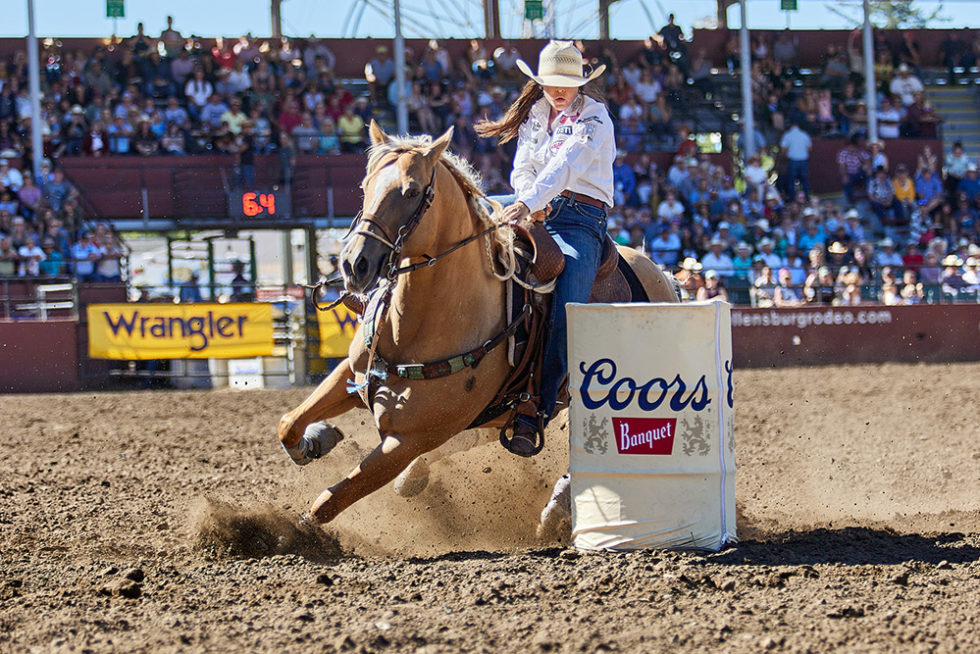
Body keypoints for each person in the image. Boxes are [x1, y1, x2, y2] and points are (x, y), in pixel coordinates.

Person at [475, 40, 612, 456]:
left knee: (568, 302)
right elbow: (525, 165)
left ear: (581, 82)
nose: (558, 90)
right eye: (551, 82)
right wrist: (526, 202)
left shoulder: (593, 116)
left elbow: (566, 163)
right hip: (535, 209)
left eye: (566, 82)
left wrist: (528, 202)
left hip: (581, 220)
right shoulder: (538, 114)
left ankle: (541, 403)